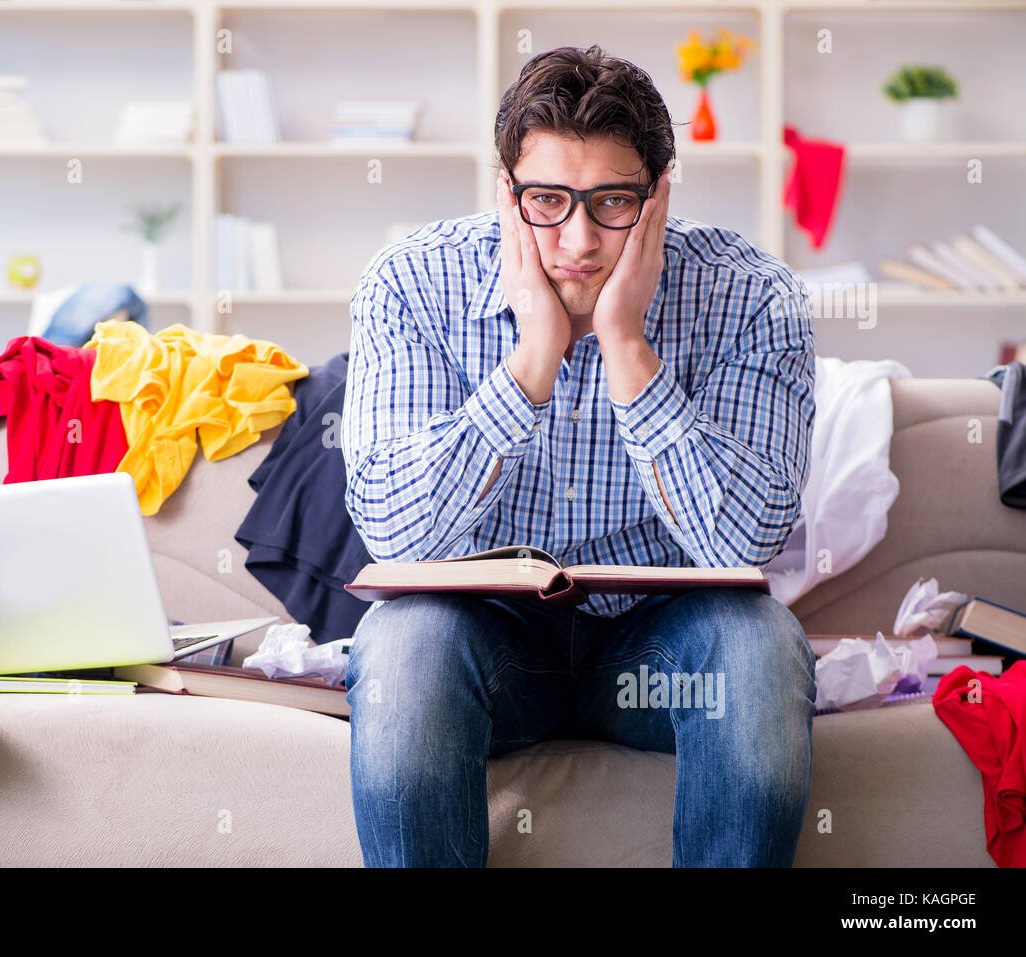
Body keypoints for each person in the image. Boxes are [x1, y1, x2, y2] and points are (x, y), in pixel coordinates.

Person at [339, 45, 818, 867]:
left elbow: (745, 546)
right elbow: (393, 533)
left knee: (760, 642)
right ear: (506, 192)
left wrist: (626, 345)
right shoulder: (410, 283)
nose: (579, 240)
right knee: (402, 642)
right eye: (548, 201)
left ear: (660, 194)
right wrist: (533, 361)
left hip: (660, 651)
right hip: (486, 648)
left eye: (613, 202)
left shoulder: (753, 297)